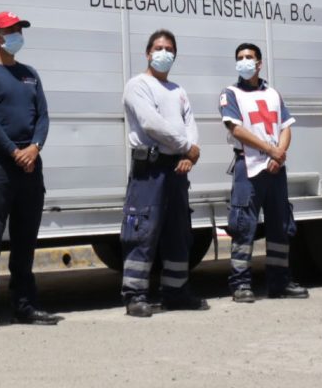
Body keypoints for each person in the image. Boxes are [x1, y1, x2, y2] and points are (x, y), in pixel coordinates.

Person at [0, 10, 62, 329]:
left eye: (19, 30)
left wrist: (34, 147)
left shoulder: (29, 74)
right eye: (10, 30)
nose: (16, 35)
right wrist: (13, 150)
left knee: (25, 241)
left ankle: (24, 304)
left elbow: (43, 116)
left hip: (30, 166)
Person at [121, 27, 207, 316]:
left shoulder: (178, 91)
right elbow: (151, 124)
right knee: (142, 231)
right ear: (148, 53)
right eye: (158, 48)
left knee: (178, 232)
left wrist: (189, 154)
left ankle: (176, 292)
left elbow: (190, 122)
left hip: (176, 169)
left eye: (169, 49)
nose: (164, 53)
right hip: (151, 171)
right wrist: (186, 146)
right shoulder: (138, 85)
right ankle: (135, 296)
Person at [219, 42, 308, 302]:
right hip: (248, 167)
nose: (244, 61)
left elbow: (286, 126)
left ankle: (279, 282)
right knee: (243, 226)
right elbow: (236, 129)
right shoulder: (231, 93)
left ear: (259, 63)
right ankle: (241, 285)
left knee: (280, 225)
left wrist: (278, 154)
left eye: (249, 57)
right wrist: (272, 151)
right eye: (240, 57)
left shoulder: (273, 94)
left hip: (274, 168)